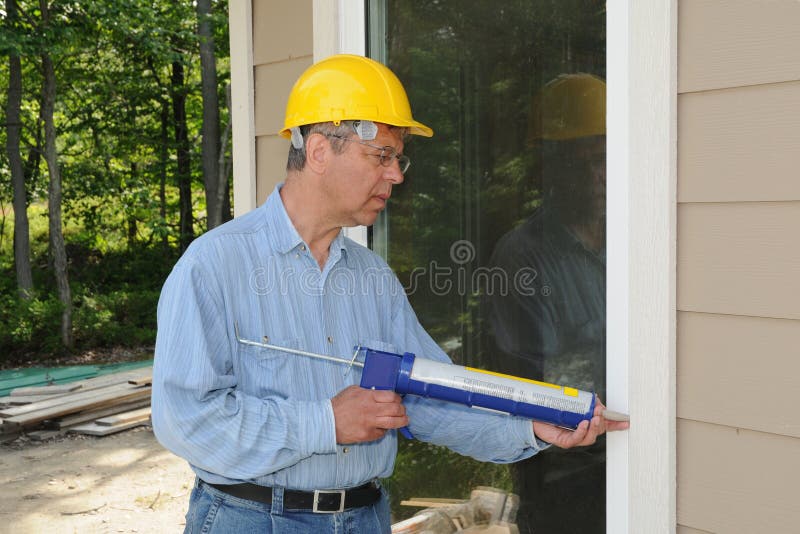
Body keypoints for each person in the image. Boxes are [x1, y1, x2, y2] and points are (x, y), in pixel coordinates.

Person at [151, 55, 626, 534]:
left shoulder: (373, 280)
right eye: (381, 155)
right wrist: (325, 422)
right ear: (318, 151)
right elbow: (185, 419)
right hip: (250, 519)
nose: (397, 175)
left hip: (365, 517)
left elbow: (430, 400)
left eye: (398, 158)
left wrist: (528, 427)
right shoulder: (214, 266)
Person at [485, 73, 609, 534]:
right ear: (555, 167)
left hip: (625, 461)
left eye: (606, 159)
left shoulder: (630, 244)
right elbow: (532, 389)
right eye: (586, 162)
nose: (600, 175)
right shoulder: (523, 258)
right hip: (564, 480)